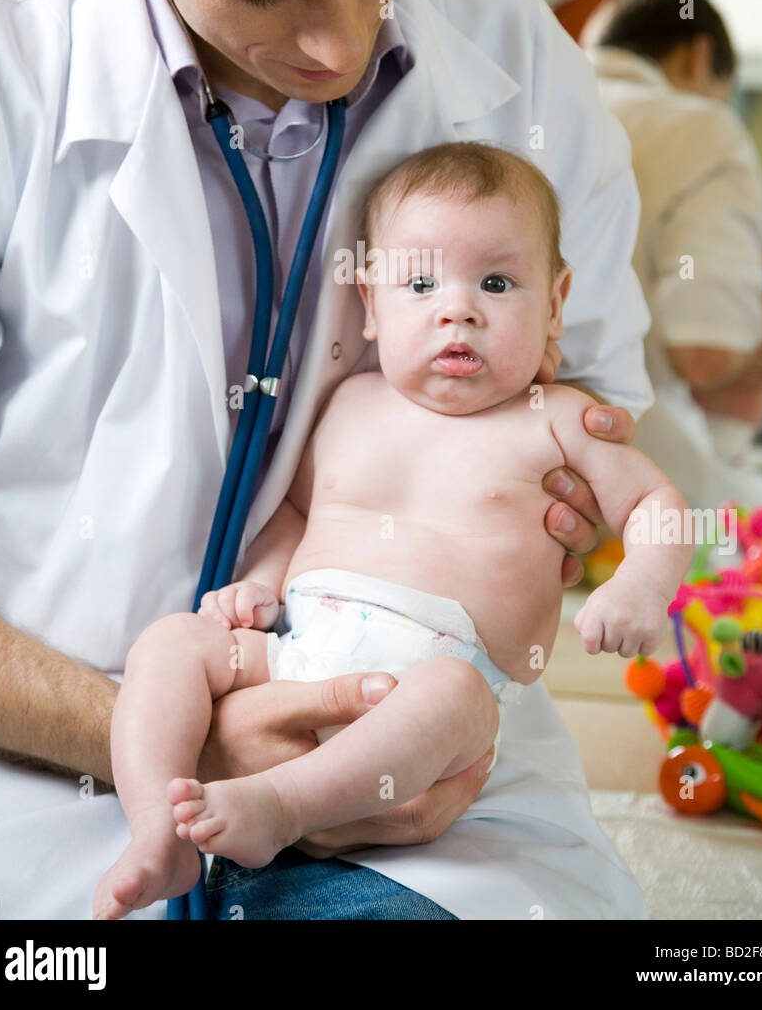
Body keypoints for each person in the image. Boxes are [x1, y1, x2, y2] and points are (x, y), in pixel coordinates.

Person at [0, 0, 655, 920]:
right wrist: (165, 736)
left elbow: (594, 420)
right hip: (28, 786)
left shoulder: (527, 75)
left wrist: (558, 513)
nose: (336, 43)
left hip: (431, 798)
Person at [94, 143, 692, 920]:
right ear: (371, 307)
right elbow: (300, 512)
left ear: (554, 306)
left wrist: (640, 583)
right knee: (170, 643)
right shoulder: (348, 406)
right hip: (298, 650)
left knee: (458, 698)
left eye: (498, 283)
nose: (459, 309)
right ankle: (156, 828)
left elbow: (656, 503)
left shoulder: (558, 421)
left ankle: (281, 806)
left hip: (433, 678)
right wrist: (260, 585)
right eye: (419, 283)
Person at [587, 0, 762, 515]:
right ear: (699, 57)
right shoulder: (702, 131)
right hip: (633, 476)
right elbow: (705, 353)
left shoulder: (528, 102)